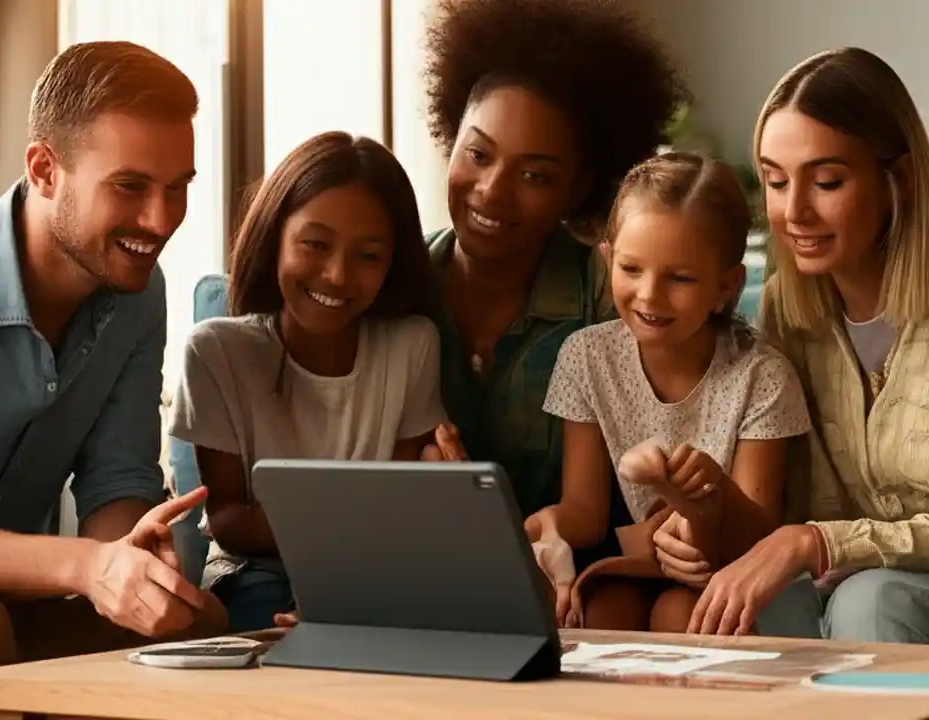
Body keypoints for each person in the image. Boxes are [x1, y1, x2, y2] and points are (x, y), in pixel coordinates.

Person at [652, 47, 929, 644]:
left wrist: (815, 542)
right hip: (855, 582)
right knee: (758, 601)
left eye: (827, 181)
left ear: (899, 179)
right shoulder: (785, 306)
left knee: (871, 597)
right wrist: (702, 520)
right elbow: (793, 506)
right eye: (776, 182)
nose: (794, 211)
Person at [0, 41, 226, 716]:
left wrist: (134, 560)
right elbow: (82, 562)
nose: (161, 221)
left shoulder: (137, 291)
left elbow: (117, 481)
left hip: (23, 594)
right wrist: (85, 567)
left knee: (204, 623)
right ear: (44, 169)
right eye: (130, 186)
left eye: (178, 186)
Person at [169, 132, 458, 633]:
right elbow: (231, 522)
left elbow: (401, 506)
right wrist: (355, 527)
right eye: (315, 244)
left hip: (377, 573)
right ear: (275, 235)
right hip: (253, 571)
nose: (337, 274)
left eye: (368, 255)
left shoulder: (412, 344)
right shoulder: (216, 351)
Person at [421, 0, 686, 531]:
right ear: (453, 136)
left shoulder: (615, 301)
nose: (492, 191)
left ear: (579, 188)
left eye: (535, 176)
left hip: (580, 584)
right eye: (478, 154)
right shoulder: (392, 284)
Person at [528, 153, 809, 632]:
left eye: (680, 278)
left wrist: (707, 499)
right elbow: (585, 513)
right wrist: (540, 532)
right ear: (607, 260)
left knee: (681, 616)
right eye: (631, 269)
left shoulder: (762, 376)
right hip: (638, 562)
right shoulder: (587, 355)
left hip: (724, 568)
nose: (650, 295)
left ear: (727, 285)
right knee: (599, 613)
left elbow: (758, 535)